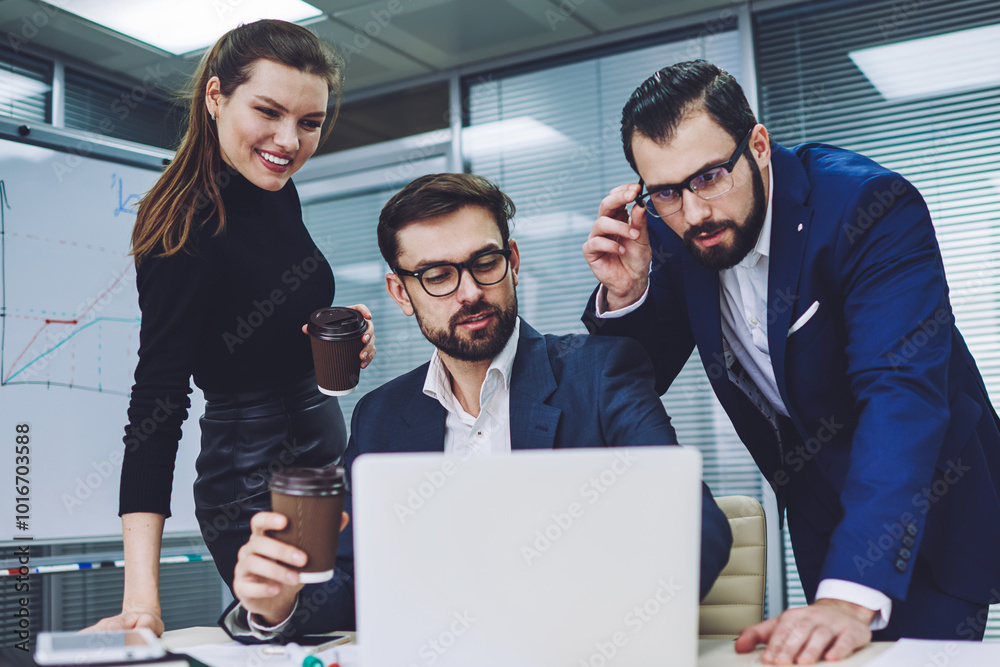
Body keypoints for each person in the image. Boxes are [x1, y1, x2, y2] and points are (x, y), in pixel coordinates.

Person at [582, 59, 1000, 664]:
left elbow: (901, 394)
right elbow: (637, 378)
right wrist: (627, 295)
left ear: (758, 145)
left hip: (929, 501)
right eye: (667, 191)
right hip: (817, 508)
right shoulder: (674, 229)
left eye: (710, 177)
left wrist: (850, 597)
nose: (694, 212)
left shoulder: (869, 208)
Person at [221, 172, 733, 639]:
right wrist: (279, 602)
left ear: (511, 262)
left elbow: (699, 534)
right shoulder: (381, 417)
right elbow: (354, 583)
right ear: (402, 293)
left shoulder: (600, 373)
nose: (468, 292)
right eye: (437, 276)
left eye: (484, 263)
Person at [87, 20, 376, 636]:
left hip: (322, 451)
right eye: (267, 112)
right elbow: (157, 401)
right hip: (251, 476)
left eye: (309, 122)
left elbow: (259, 317)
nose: (288, 140)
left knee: (366, 620)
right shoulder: (182, 227)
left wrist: (332, 336)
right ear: (215, 96)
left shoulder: (273, 187)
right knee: (300, 626)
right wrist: (143, 602)